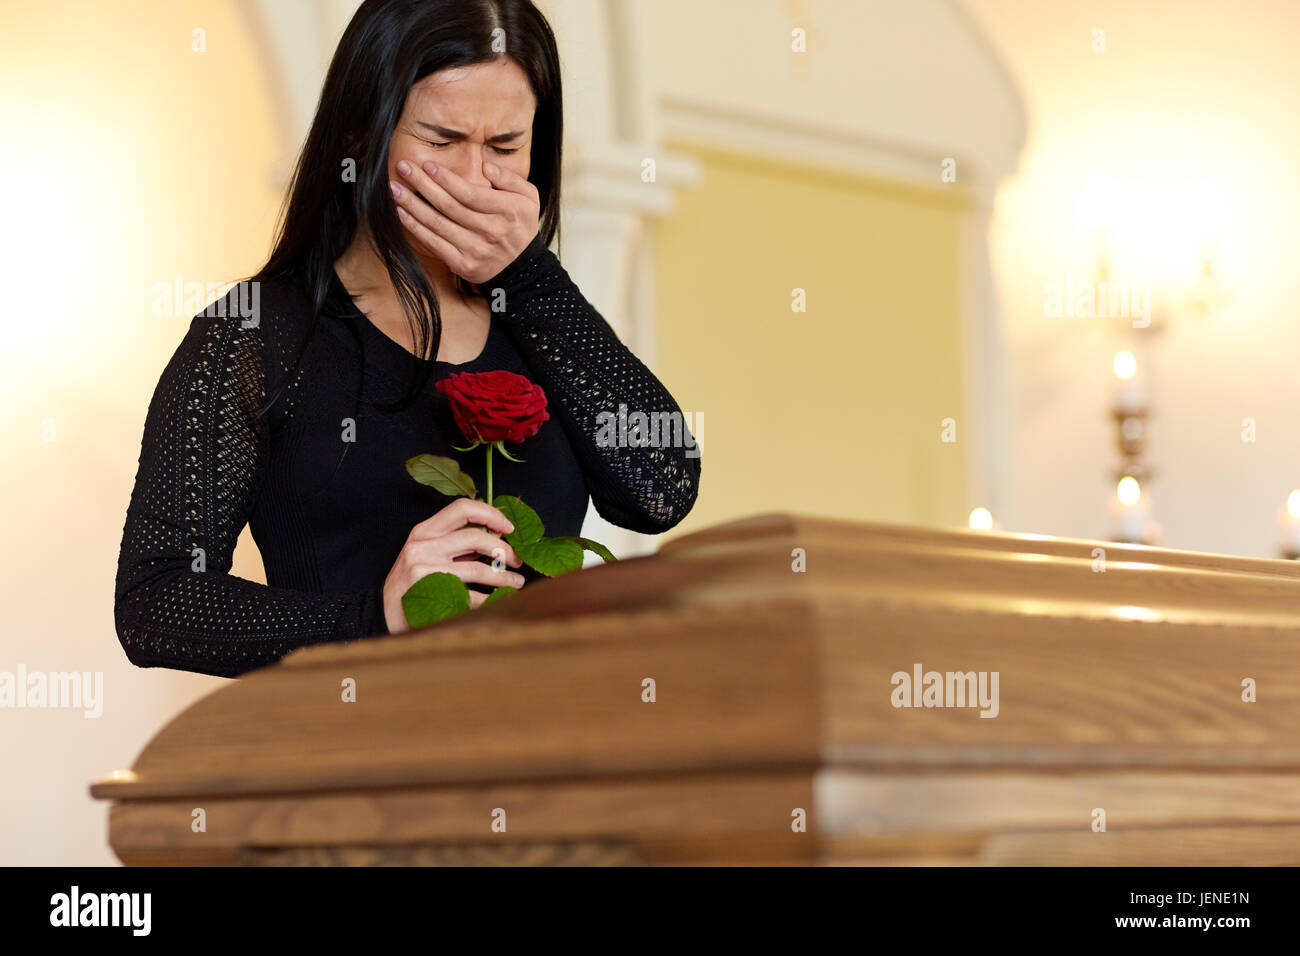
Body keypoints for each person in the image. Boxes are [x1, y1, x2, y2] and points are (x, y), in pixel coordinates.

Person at [113, 0, 701, 678]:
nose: (474, 177)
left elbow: (662, 489)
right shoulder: (255, 334)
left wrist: (533, 277)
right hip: (357, 757)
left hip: (543, 751)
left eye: (505, 147)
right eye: (442, 140)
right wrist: (374, 616)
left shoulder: (536, 317)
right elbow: (154, 603)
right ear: (364, 129)